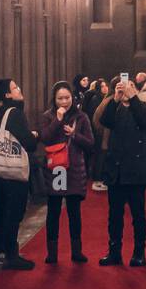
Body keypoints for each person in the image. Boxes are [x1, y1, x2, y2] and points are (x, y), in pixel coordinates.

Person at [35, 81, 96, 264]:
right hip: (56, 169)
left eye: (67, 98)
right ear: (54, 99)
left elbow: (91, 144)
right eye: (60, 98)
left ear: (72, 98)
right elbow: (44, 138)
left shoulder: (82, 117)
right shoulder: (48, 116)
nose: (64, 101)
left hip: (74, 169)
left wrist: (74, 135)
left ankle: (76, 251)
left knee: (74, 212)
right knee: (53, 211)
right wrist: (58, 120)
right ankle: (52, 253)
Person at [0, 78, 38, 270]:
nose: (19, 89)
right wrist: (34, 136)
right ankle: (12, 255)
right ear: (7, 95)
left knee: (0, 208)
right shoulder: (14, 113)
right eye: (15, 88)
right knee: (13, 210)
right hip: (11, 170)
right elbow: (29, 144)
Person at [99, 76, 146, 266]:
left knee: (138, 214)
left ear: (135, 89)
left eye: (130, 86)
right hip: (117, 170)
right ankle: (114, 252)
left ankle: (139, 253)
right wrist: (114, 99)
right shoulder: (116, 109)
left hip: (136, 171)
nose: (126, 90)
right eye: (123, 87)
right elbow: (104, 121)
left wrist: (134, 98)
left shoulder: (142, 107)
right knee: (114, 215)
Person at [89, 75, 120, 192]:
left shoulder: (107, 99)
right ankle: (98, 180)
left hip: (104, 133)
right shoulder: (111, 100)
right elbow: (98, 119)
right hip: (105, 134)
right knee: (102, 156)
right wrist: (102, 131)